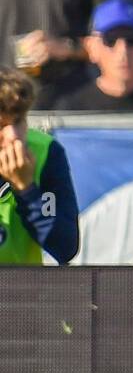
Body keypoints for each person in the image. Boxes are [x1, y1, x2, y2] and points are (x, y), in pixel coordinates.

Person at [0, 66, 79, 263]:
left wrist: (28, 192)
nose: (14, 137)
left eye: (18, 122)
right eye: (1, 125)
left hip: (22, 290)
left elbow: (65, 247)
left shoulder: (46, 152)